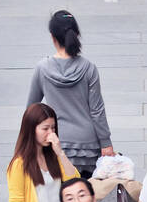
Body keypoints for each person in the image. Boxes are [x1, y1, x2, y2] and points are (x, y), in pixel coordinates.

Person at [26, 10, 111, 175]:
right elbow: (97, 110)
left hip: (56, 142)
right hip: (88, 147)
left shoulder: (43, 69)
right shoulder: (88, 68)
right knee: (83, 196)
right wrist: (106, 142)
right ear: (76, 34)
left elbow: (31, 110)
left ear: (52, 37)